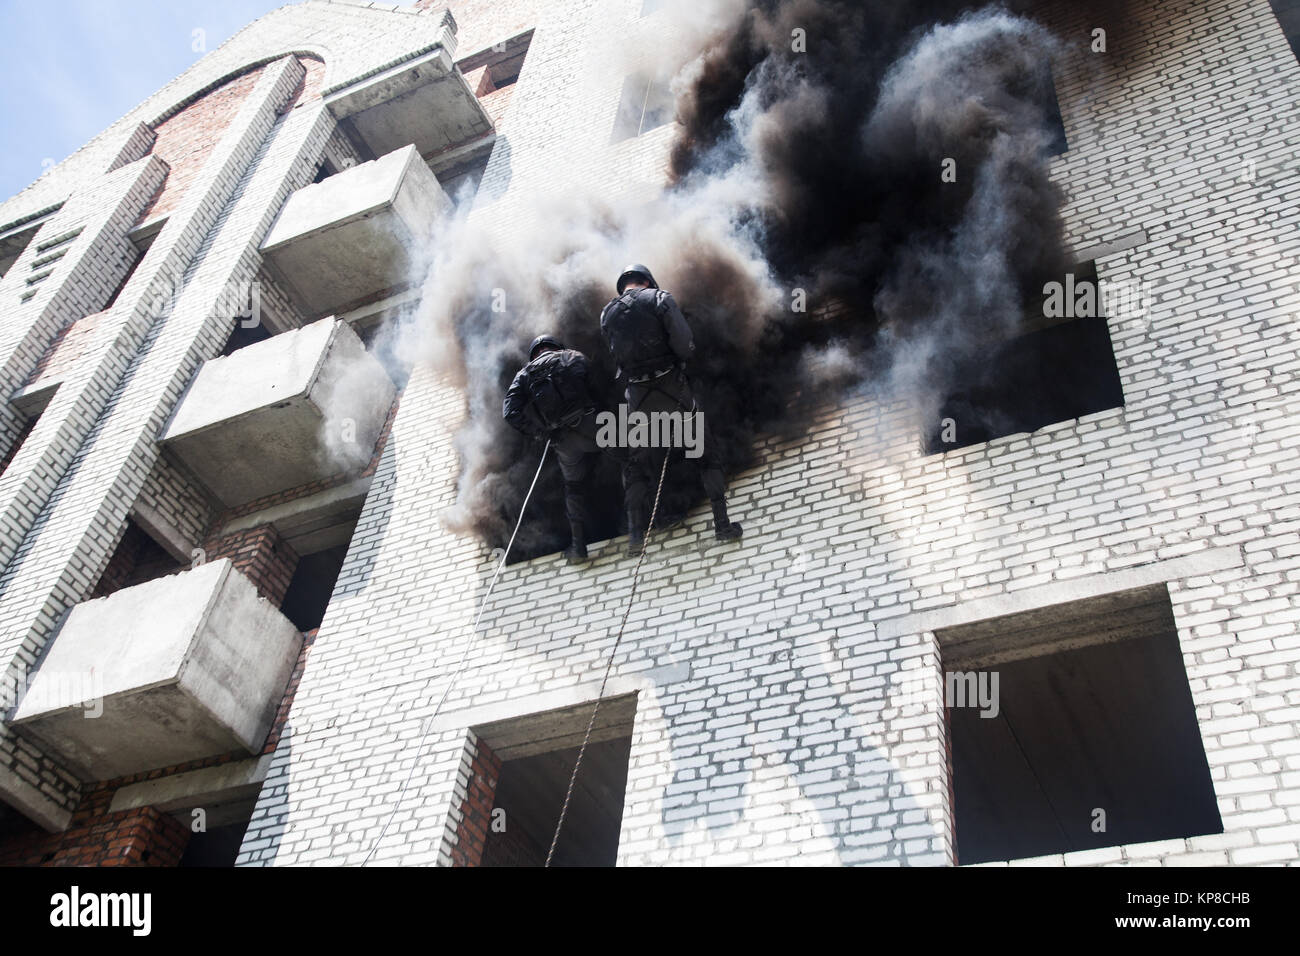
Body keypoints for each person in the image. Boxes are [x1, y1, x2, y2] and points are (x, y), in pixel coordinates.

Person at [599, 263, 742, 556]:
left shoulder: (607, 313)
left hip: (638, 399)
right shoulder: (660, 298)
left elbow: (615, 357)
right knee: (705, 453)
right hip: (672, 388)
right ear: (648, 281)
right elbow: (684, 345)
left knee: (636, 464)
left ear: (623, 286)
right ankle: (722, 525)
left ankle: (636, 539)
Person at [502, 335, 608, 564]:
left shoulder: (524, 374)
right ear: (555, 346)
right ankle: (637, 526)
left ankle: (579, 546)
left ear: (534, 354)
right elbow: (598, 382)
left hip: (562, 440)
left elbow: (510, 412)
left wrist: (540, 432)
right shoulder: (571, 356)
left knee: (574, 488)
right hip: (593, 425)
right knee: (629, 461)